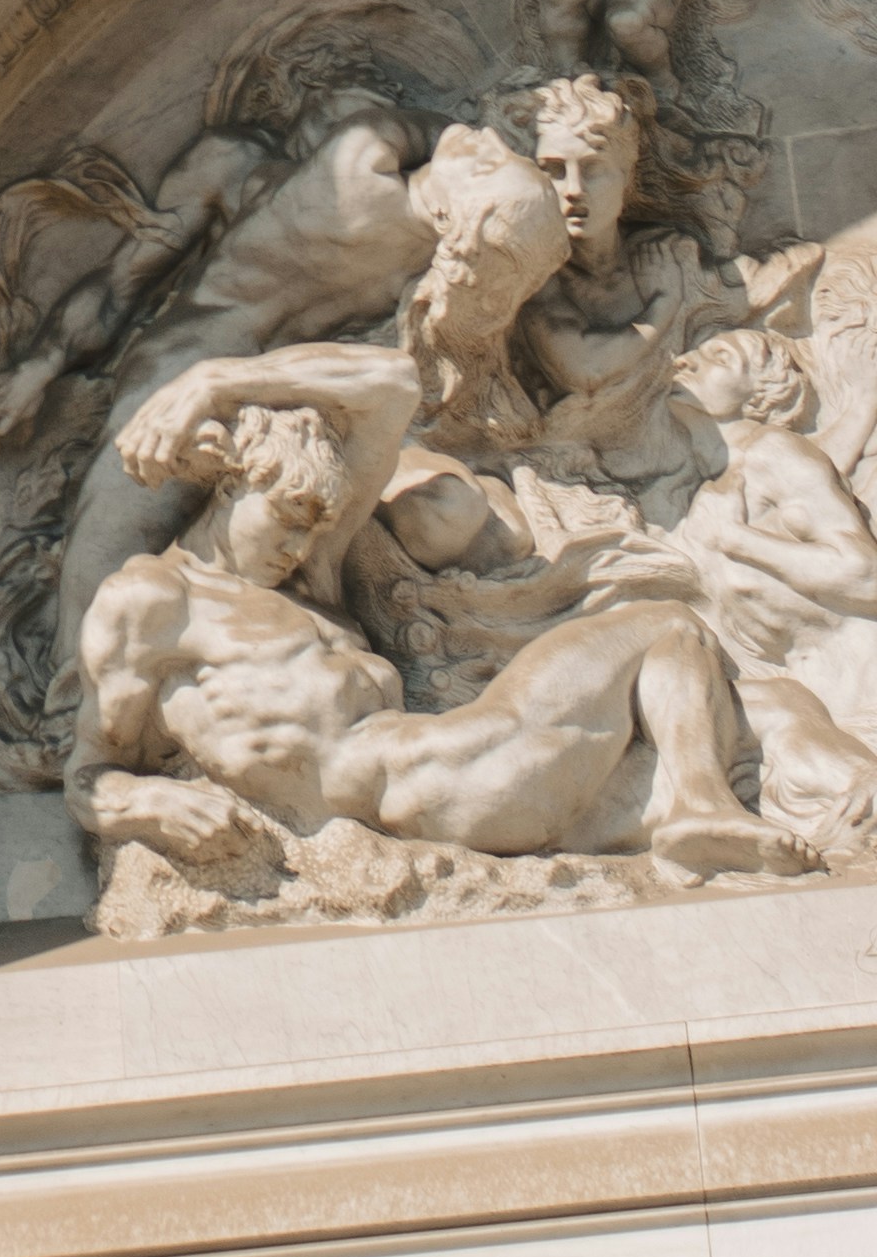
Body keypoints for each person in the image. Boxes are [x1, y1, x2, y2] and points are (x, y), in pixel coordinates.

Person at [72, 340, 782, 883]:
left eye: (315, 527)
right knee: (666, 628)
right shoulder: (152, 600)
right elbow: (90, 774)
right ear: (230, 487)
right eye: (286, 517)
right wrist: (147, 806)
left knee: (675, 633)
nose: (301, 544)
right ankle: (694, 809)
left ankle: (697, 807)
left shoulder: (306, 580)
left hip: (461, 765)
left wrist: (218, 378)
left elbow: (393, 383)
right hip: (443, 785)